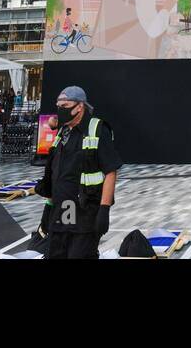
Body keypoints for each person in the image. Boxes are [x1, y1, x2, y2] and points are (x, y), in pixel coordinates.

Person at [35, 85, 122, 259]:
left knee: (79, 255)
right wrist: (48, 207)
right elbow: (57, 175)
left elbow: (110, 172)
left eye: (65, 106)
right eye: (58, 106)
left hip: (86, 212)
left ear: (79, 107)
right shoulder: (63, 131)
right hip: (63, 211)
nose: (60, 110)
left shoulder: (97, 129)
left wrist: (104, 211)